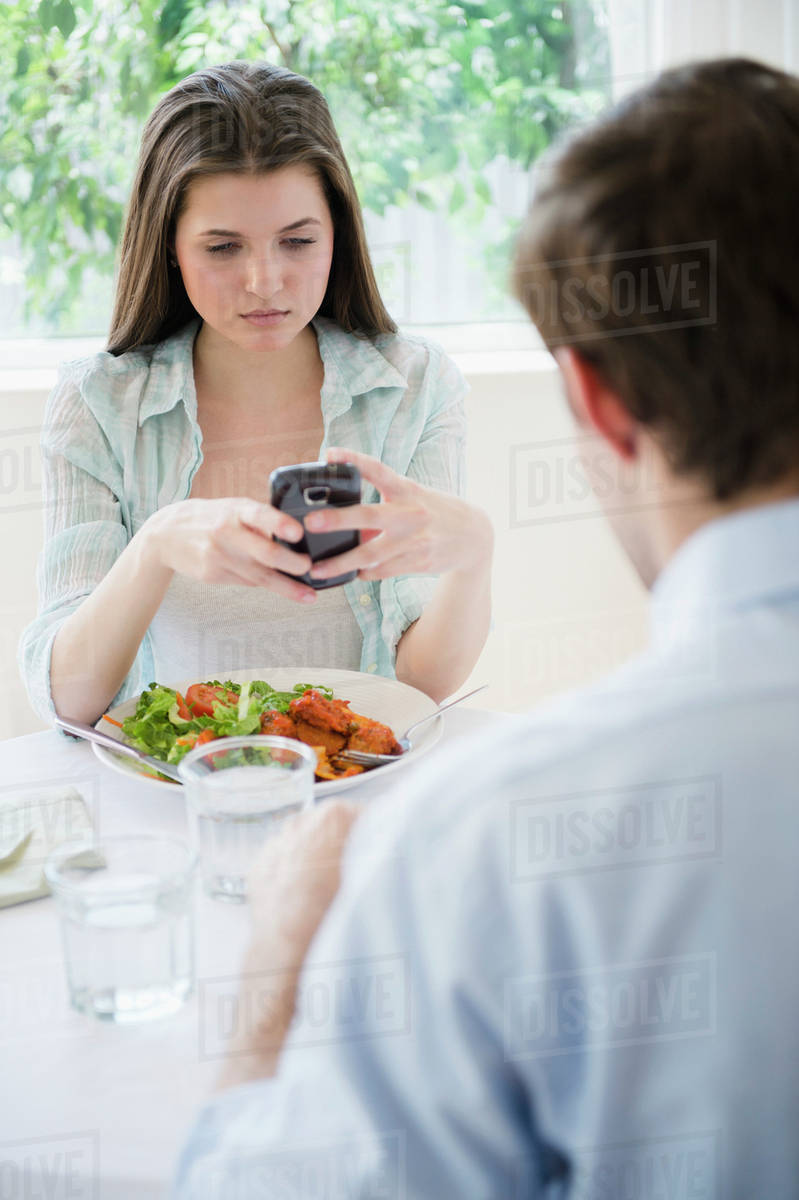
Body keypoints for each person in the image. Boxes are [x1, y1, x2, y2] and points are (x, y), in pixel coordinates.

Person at [173, 58, 799, 1197]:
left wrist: (268, 977)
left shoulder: (489, 841)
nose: (263, 277)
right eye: (224, 246)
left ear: (598, 403)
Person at [17, 61, 493, 727]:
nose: (264, 282)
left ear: (338, 235)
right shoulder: (97, 406)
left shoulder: (413, 388)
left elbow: (421, 682)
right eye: (222, 247)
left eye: (297, 241)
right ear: (170, 248)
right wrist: (155, 545)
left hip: (355, 781)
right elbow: (70, 700)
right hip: (185, 794)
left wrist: (475, 556)